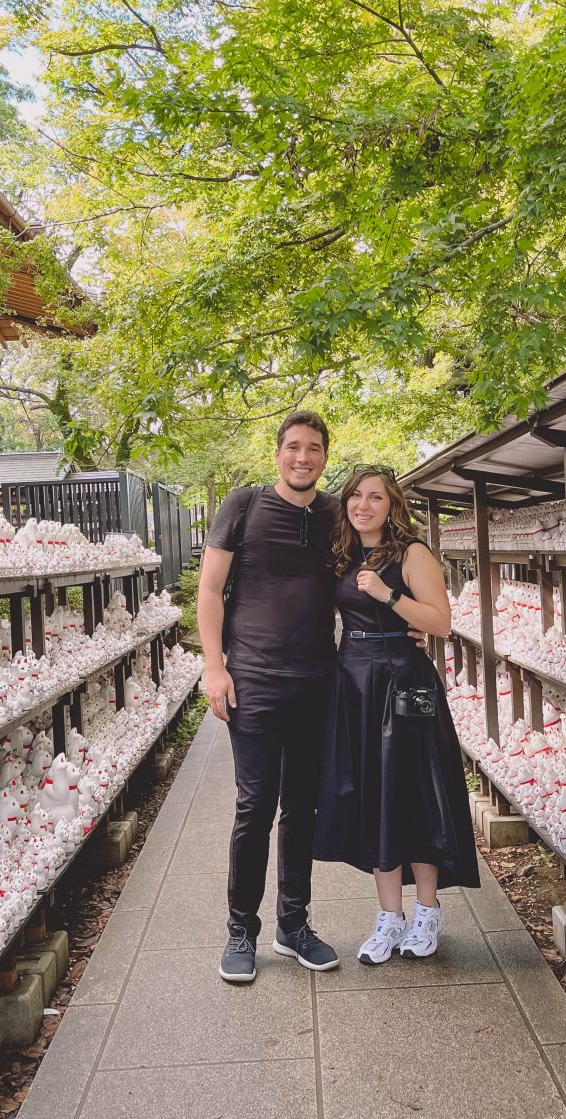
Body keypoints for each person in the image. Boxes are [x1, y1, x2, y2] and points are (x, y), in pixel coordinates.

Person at [197, 411, 342, 983]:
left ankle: (294, 925)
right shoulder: (244, 505)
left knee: (302, 806)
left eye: (313, 449)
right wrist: (215, 667)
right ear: (277, 453)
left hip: (316, 681)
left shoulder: (336, 515)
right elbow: (210, 590)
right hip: (253, 678)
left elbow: (363, 579)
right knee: (254, 806)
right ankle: (241, 930)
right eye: (293, 447)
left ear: (325, 456)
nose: (302, 457)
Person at [313, 465, 480, 965]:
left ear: (392, 506)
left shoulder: (413, 553)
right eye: (356, 497)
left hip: (409, 682)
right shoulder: (341, 555)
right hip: (357, 684)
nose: (364, 506)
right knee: (373, 794)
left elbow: (441, 623)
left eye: (376, 498)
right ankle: (389, 917)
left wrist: (388, 596)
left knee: (416, 791)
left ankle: (426, 911)